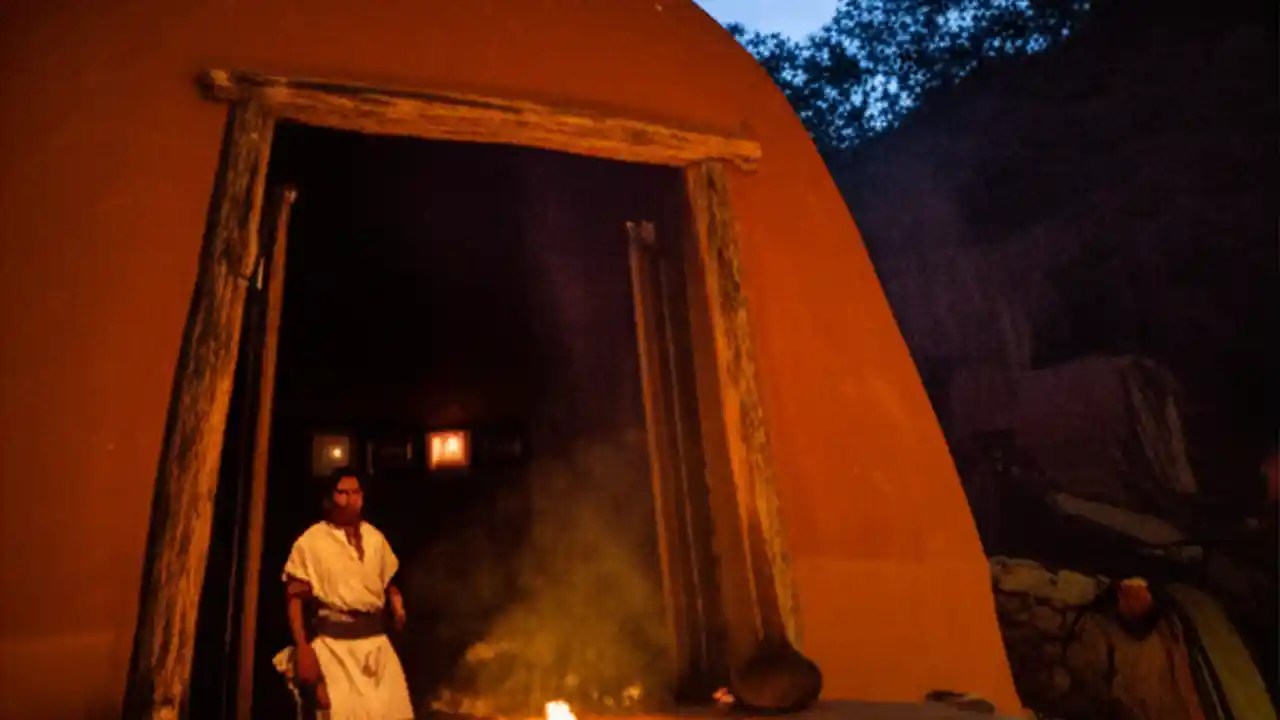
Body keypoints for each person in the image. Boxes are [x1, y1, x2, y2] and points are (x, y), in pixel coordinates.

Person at [273, 467, 414, 719]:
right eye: (342, 492)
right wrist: (303, 649)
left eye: (356, 492)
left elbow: (387, 583)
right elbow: (294, 599)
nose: (350, 499)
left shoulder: (375, 538)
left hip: (376, 647)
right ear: (329, 498)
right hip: (333, 647)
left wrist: (396, 604)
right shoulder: (312, 541)